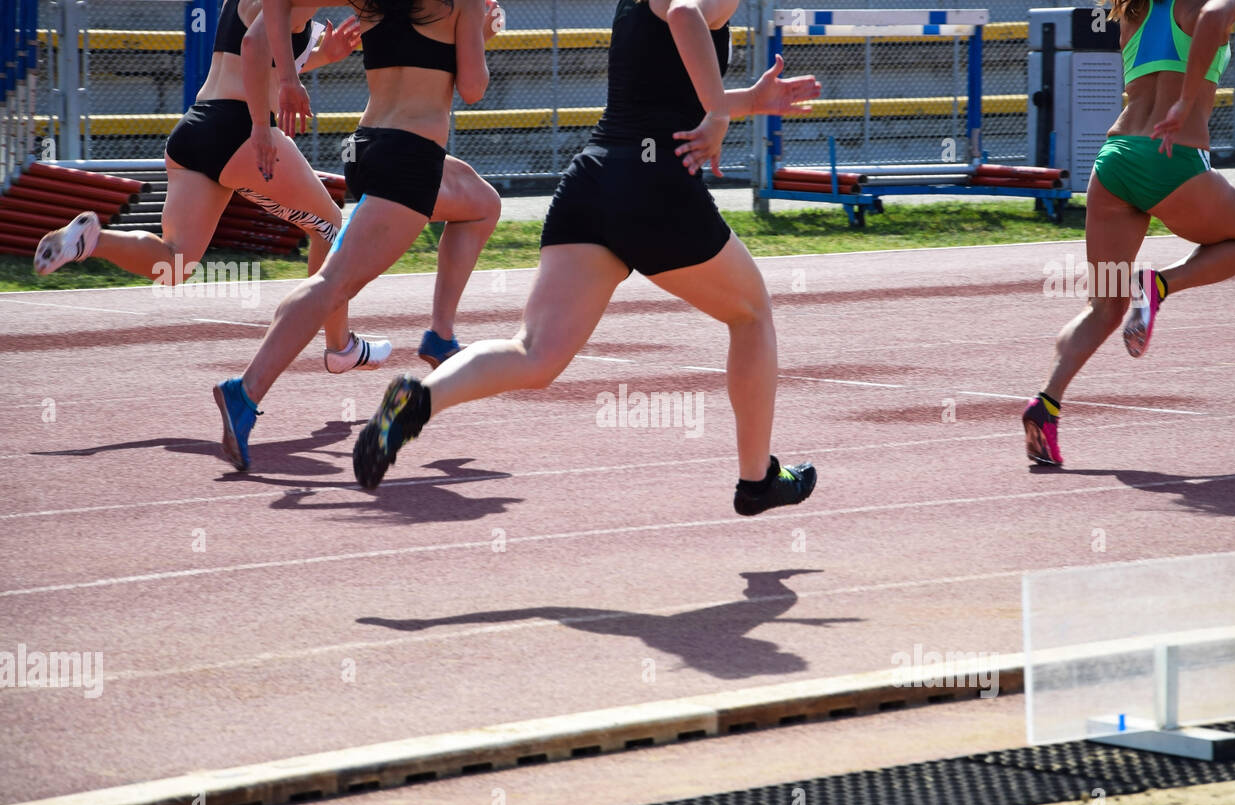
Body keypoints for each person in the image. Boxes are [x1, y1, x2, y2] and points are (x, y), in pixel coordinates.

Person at [351, 0, 823, 517]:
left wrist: (744, 103)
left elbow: (660, 86)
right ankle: (757, 480)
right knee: (751, 313)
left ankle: (416, 403)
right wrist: (716, 112)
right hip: (652, 185)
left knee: (533, 353)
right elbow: (688, 14)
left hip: (595, 179)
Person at [34, 1, 396, 374]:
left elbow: (260, 57)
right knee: (330, 226)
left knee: (175, 263)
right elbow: (256, 48)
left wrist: (322, 55)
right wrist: (261, 124)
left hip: (196, 129)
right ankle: (340, 347)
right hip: (241, 128)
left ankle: (91, 239)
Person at [213, 0, 498, 471]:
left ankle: (440, 336)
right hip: (410, 159)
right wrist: (482, 33)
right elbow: (472, 87)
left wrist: (288, 79)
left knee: (481, 204)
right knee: (333, 284)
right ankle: (244, 392)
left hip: (367, 148)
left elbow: (277, 6)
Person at [1022, 0, 1235, 465]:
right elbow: (1214, 20)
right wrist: (1186, 103)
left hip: (1114, 162)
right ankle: (1160, 284)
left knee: (1104, 307)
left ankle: (1046, 402)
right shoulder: (1199, 5)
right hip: (1171, 157)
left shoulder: (1131, 9)